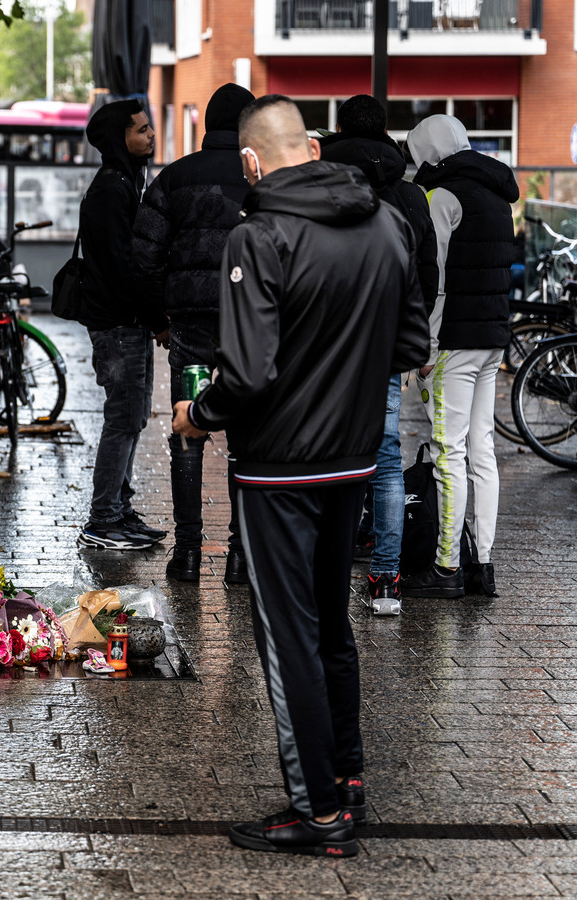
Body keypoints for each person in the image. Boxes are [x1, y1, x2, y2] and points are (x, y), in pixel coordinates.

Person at [173, 96, 428, 856]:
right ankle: (345, 779)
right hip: (352, 457)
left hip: (278, 468)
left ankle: (319, 812)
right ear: (312, 147)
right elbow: (411, 342)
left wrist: (197, 414)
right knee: (331, 629)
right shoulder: (389, 222)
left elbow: (246, 374)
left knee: (289, 641)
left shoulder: (258, 235)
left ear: (252, 163)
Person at [320, 94, 439, 616]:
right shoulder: (411, 195)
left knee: (324, 454)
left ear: (340, 127)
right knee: (386, 456)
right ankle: (386, 580)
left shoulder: (318, 180)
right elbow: (428, 273)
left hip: (328, 339)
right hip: (387, 338)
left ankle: (319, 572)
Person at [132, 83, 256, 585]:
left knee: (189, 430)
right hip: (250, 328)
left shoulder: (173, 178)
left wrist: (160, 318)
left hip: (191, 326)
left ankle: (186, 554)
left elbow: (143, 258)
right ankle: (240, 558)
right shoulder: (263, 179)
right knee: (248, 437)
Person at [401, 114, 519, 600]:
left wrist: (424, 348)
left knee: (449, 452)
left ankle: (446, 567)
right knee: (482, 451)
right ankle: (484, 566)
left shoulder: (442, 197)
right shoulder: (497, 195)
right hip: (492, 337)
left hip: (452, 343)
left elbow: (438, 281)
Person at [75, 100, 167, 552]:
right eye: (142, 130)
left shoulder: (125, 181)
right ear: (120, 138)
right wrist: (155, 319)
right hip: (117, 324)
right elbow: (123, 266)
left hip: (128, 322)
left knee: (132, 416)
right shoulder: (113, 189)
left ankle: (120, 509)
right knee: (123, 417)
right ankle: (103, 519)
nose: (151, 136)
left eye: (150, 129)